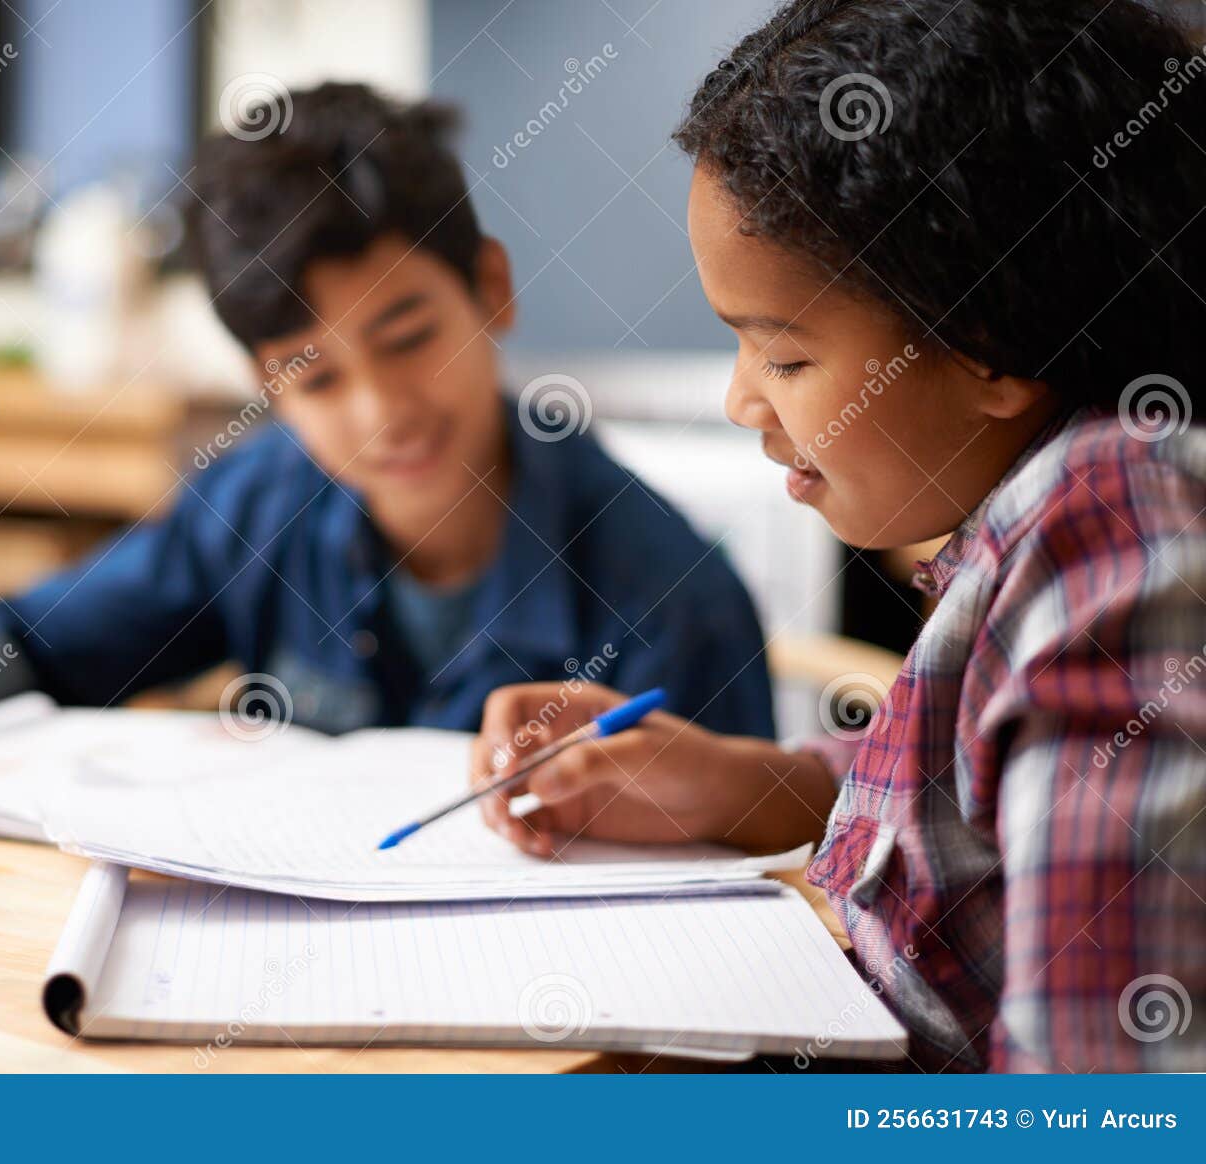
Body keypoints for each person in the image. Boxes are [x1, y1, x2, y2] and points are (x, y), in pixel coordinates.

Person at [474, 0, 1205, 1071]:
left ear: (984, 340)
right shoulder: (1049, 516)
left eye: (783, 356)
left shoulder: (1111, 527)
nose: (742, 402)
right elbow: (985, 795)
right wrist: (751, 782)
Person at [0, 84, 773, 759]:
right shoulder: (259, 501)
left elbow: (747, 907)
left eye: (408, 338)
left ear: (489, 286)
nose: (382, 409)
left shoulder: (668, 593)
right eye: (312, 380)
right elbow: (38, 640)